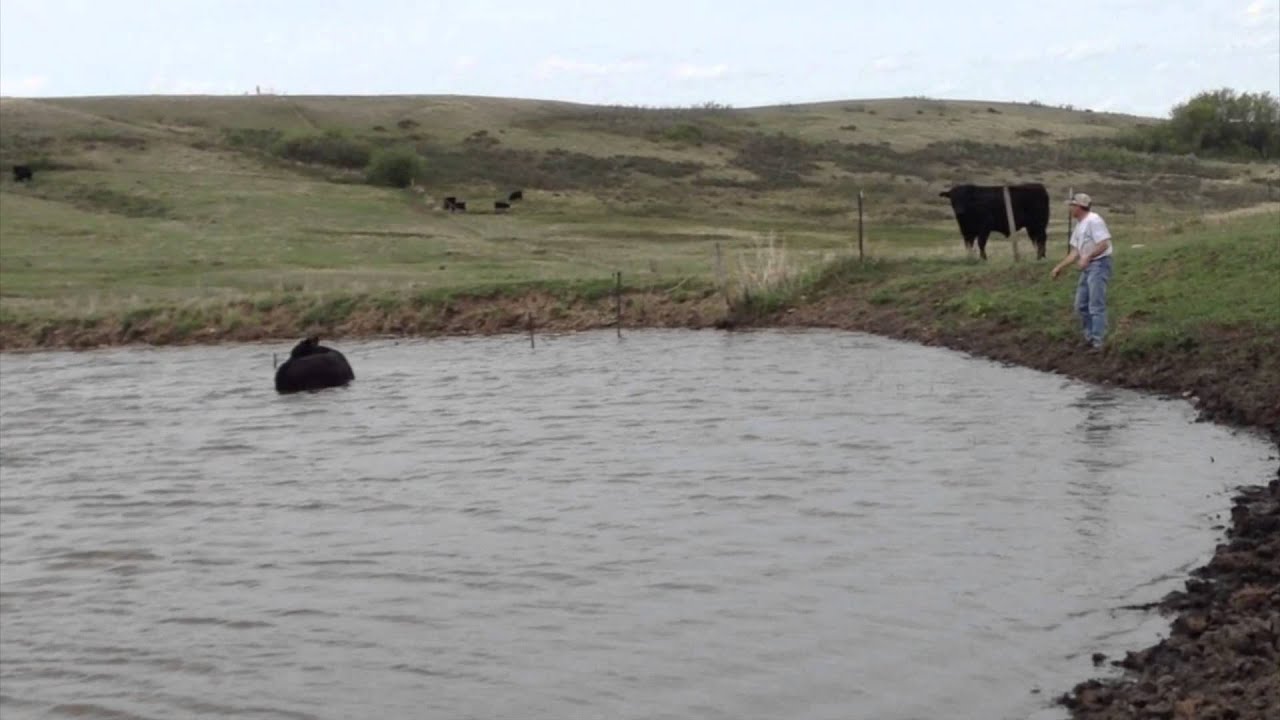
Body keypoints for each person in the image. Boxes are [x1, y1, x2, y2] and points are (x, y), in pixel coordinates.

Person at [1052, 192, 1113, 351]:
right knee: (1081, 305)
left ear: (1079, 207)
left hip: (1099, 265)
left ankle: (1098, 341)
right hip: (1088, 268)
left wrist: (1087, 257)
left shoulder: (1094, 221)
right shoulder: (1080, 226)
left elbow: (1104, 244)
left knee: (1096, 304)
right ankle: (1089, 337)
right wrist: (1060, 267)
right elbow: (1074, 252)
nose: (1070, 209)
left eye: (1072, 206)